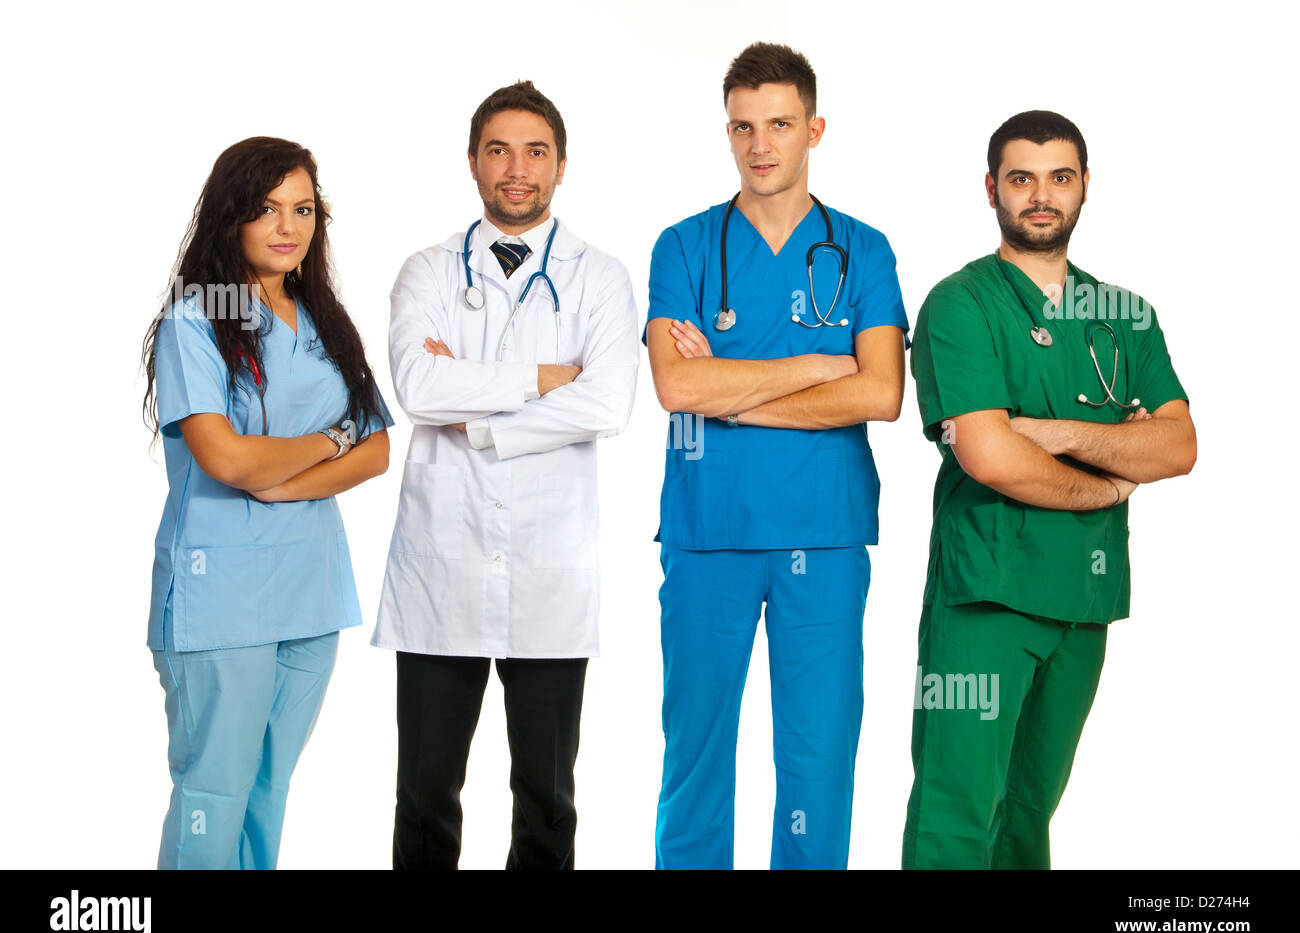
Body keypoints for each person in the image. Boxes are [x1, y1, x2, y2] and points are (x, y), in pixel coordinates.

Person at [903, 110, 1197, 869]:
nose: (1042, 194)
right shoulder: (960, 305)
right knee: (957, 814)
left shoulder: (1124, 316)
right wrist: (1107, 483)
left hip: (1084, 604)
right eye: (1022, 177)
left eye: (1060, 177)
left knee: (1029, 817)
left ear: (1085, 187)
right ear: (992, 189)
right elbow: (992, 457)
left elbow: (1179, 444)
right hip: (988, 598)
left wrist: (1055, 432)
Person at [643, 43, 908, 869]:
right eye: (743, 127)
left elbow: (882, 396)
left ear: (814, 129)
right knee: (695, 762)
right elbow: (677, 392)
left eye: (780, 125)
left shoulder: (861, 250)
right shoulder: (683, 246)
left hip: (823, 539)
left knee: (819, 763)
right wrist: (811, 368)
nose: (761, 144)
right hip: (705, 536)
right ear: (728, 134)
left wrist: (732, 388)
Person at [371, 81, 640, 870]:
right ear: (472, 163)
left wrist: (480, 415)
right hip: (440, 571)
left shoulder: (602, 277)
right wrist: (548, 376)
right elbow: (418, 389)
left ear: (561, 166)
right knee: (423, 795)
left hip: (549, 574)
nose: (516, 170)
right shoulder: (424, 271)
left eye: (534, 152)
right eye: (498, 151)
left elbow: (609, 402)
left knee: (548, 798)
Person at [141, 136, 394, 869]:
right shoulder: (199, 315)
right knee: (213, 792)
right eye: (266, 209)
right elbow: (224, 458)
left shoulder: (321, 316)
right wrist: (327, 442)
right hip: (220, 597)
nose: (289, 227)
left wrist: (276, 472)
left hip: (309, 593)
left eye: (304, 209)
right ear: (232, 218)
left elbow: (376, 450)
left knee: (266, 789)